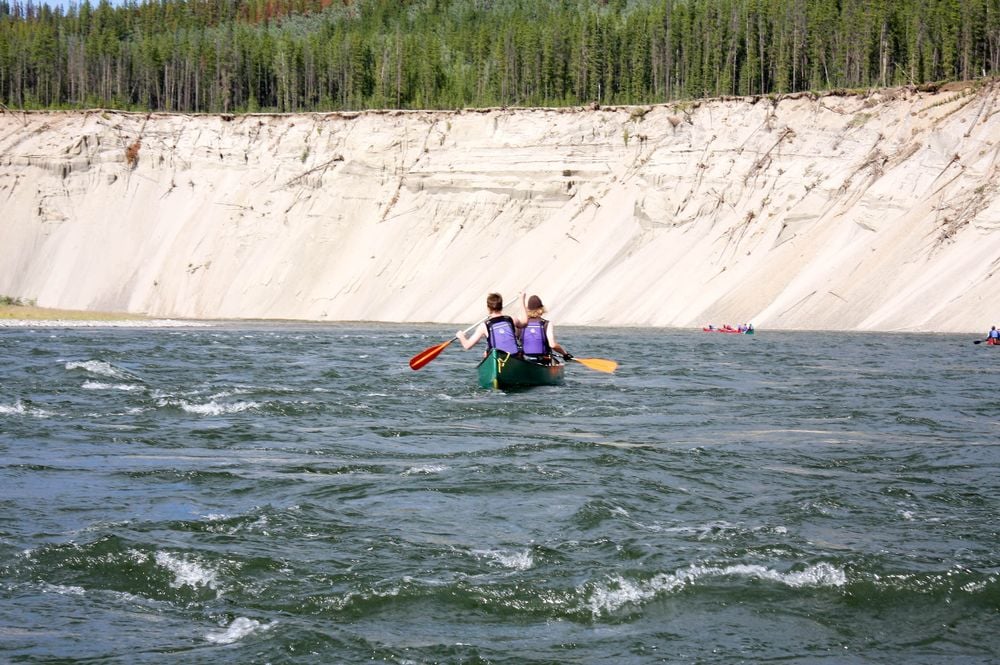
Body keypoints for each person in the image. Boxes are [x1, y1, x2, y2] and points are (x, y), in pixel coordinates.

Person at [456, 292, 523, 357]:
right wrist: (522, 300)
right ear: (501, 306)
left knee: (487, 353)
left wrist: (461, 336)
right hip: (513, 356)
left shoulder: (483, 326)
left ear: (488, 308)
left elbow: (467, 346)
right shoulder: (511, 319)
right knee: (487, 350)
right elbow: (524, 323)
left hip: (496, 358)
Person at [518, 293, 571, 365]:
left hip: (524, 361)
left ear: (528, 309)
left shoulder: (521, 324)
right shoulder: (546, 324)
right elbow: (553, 345)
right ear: (541, 309)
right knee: (556, 363)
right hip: (542, 362)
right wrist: (565, 354)